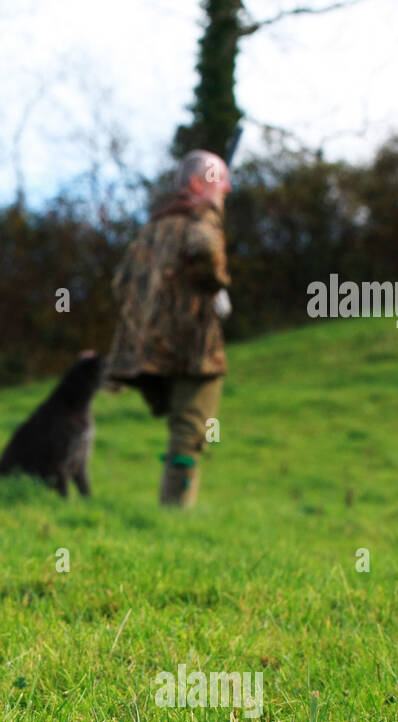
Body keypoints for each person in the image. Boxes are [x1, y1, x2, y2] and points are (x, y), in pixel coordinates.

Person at [107, 149, 232, 508]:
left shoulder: (151, 229)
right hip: (194, 348)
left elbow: (120, 284)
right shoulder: (201, 220)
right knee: (190, 431)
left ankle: (171, 513)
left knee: (181, 427)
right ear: (195, 183)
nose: (227, 187)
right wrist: (216, 286)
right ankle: (174, 516)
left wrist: (145, 324)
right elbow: (206, 251)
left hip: (147, 351)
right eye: (218, 178)